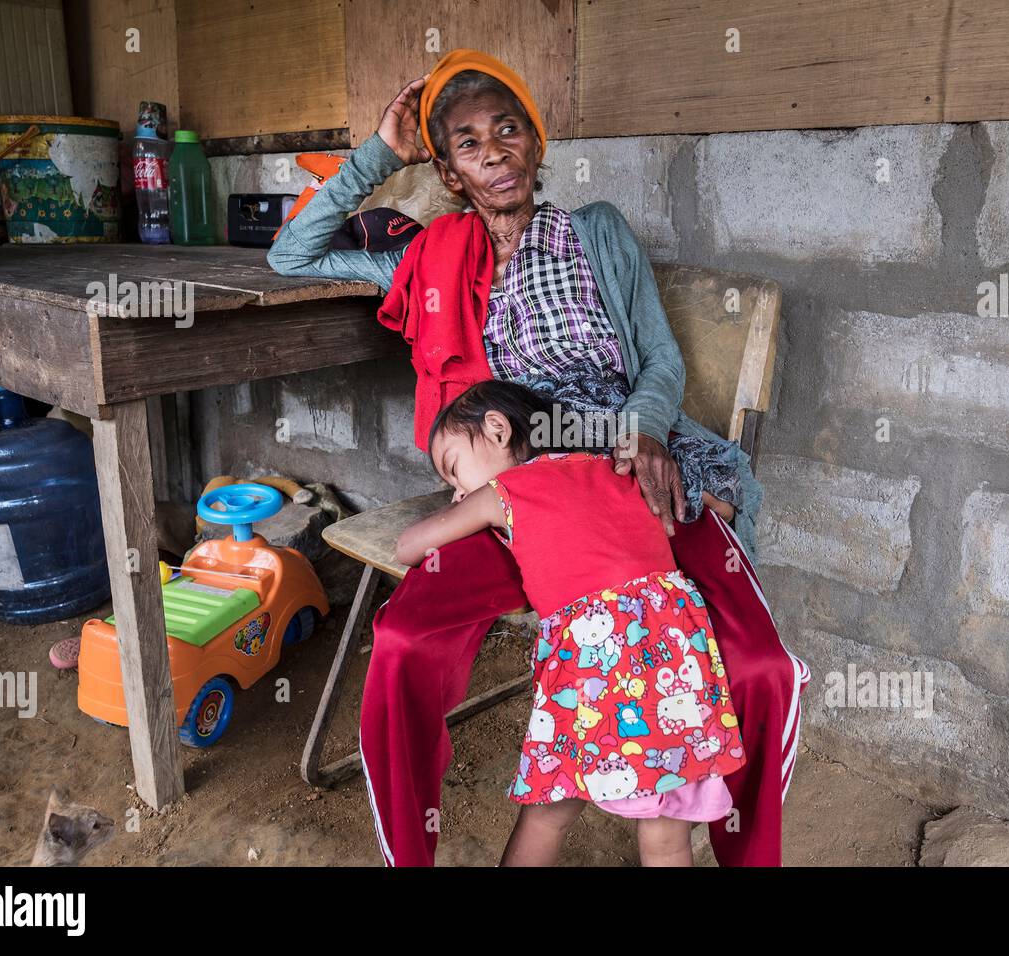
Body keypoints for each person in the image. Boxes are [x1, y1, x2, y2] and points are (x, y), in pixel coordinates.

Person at [268, 48, 809, 867]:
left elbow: (661, 361)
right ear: (448, 170)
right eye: (468, 143)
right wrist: (382, 151)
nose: (493, 152)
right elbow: (291, 255)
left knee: (762, 665)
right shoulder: (431, 259)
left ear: (534, 142)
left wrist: (643, 434)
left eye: (507, 130)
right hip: (521, 491)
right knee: (408, 639)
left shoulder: (597, 231)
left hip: (631, 467)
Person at [397, 380, 748, 866]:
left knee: (549, 809)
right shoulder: (622, 469)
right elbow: (721, 507)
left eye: (454, 470)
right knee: (667, 834)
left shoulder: (505, 492)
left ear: (497, 430)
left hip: (591, 666)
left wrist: (463, 511)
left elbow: (409, 547)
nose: (458, 491)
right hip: (674, 657)